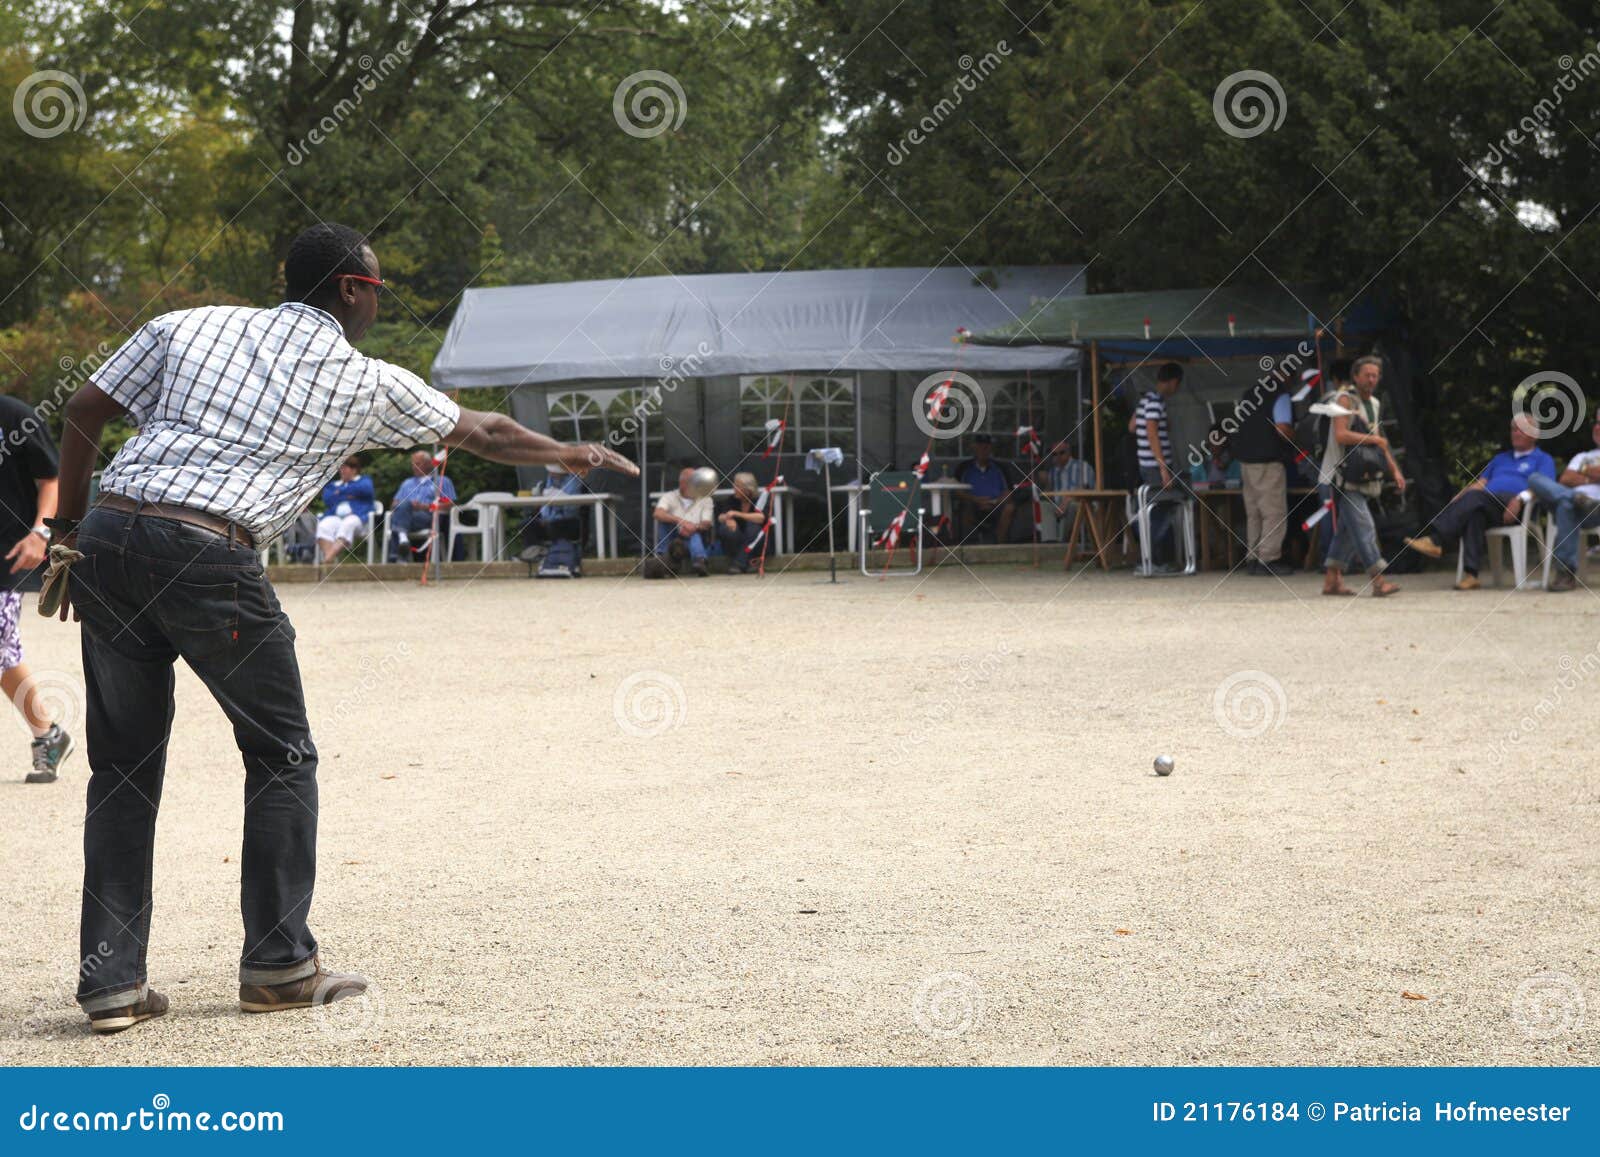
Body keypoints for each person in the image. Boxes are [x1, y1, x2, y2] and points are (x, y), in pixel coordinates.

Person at [46, 220, 637, 1034]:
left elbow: (84, 409)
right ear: (354, 289)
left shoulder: (187, 325)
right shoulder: (362, 379)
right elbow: (487, 432)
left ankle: (110, 982)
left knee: (120, 766)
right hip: (211, 550)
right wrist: (564, 452)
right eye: (378, 289)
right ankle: (279, 963)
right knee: (281, 753)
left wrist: (68, 529)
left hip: (110, 536)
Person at [0, 395, 73, 784]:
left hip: (7, 552)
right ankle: (48, 733)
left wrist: (40, 533)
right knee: (4, 653)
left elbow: (52, 479)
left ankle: (49, 735)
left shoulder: (16, 416)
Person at [1403, 413, 1555, 590]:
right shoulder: (1501, 458)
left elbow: (1545, 486)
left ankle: (1437, 540)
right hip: (1488, 503)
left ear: (1534, 434)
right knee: (1474, 511)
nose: (1516, 433)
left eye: (1521, 430)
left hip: (1518, 507)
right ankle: (1471, 575)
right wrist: (1461, 497)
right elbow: (1481, 483)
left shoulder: (1543, 459)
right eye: (1514, 429)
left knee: (1475, 500)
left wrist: (1520, 499)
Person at [1320, 355, 1404, 597]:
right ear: (1355, 377)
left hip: (1362, 475)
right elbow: (1341, 435)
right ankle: (1378, 580)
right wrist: (1375, 439)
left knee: (1347, 529)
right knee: (1364, 525)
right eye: (1366, 375)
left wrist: (1394, 469)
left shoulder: (1374, 404)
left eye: (1375, 375)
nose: (1371, 379)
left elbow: (1378, 442)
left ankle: (1331, 581)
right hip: (1340, 476)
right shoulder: (1343, 400)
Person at [1227, 371, 1296, 575]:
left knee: (1254, 513)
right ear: (1287, 377)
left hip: (1245, 462)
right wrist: (1297, 439)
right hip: (1268, 461)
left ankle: (1253, 558)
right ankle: (1269, 558)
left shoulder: (1249, 393)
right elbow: (1282, 429)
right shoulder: (1280, 395)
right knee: (1274, 512)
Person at [1527, 416, 1600, 592]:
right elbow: (1566, 479)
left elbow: (1573, 477)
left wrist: (1582, 473)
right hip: (1578, 508)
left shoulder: (1581, 463)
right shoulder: (1583, 456)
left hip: (1597, 508)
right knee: (1535, 478)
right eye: (1597, 424)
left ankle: (1565, 573)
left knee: (1564, 505)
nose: (1598, 428)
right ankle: (1576, 499)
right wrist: (1591, 476)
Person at [1135, 362, 1189, 569]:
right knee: (1161, 511)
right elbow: (1151, 432)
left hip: (1145, 463)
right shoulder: (1156, 402)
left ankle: (1153, 559)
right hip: (1155, 467)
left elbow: (1133, 426)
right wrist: (1163, 468)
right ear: (1174, 382)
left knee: (1155, 509)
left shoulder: (1144, 400)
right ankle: (1155, 559)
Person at [953, 434, 1024, 544]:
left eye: (986, 447)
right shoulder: (964, 467)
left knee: (1010, 507)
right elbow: (957, 491)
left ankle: (1000, 545)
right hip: (973, 504)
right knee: (964, 507)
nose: (983, 450)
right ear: (974, 447)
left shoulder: (1000, 467)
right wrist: (976, 500)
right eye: (980, 447)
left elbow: (1009, 492)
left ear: (991, 449)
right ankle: (970, 545)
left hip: (996, 505)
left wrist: (995, 502)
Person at [518, 464, 589, 571]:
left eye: (554, 471)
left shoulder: (575, 482)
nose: (551, 473)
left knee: (555, 525)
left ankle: (557, 555)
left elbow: (572, 511)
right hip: (548, 520)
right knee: (527, 524)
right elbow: (543, 506)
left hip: (569, 523)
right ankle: (534, 554)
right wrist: (542, 515)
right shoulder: (547, 481)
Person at [389, 448, 456, 560]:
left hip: (429, 518)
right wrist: (408, 506)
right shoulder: (407, 483)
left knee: (398, 516)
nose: (414, 467)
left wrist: (423, 507)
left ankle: (396, 554)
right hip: (407, 518)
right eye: (413, 464)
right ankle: (403, 539)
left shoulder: (441, 481)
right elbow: (394, 505)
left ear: (429, 463)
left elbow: (449, 505)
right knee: (403, 506)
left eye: (418, 463)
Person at [651, 467, 713, 576]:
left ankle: (700, 561)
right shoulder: (669, 496)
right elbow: (657, 513)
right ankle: (663, 558)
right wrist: (681, 522)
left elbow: (706, 523)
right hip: (673, 537)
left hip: (694, 537)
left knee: (695, 534)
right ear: (683, 483)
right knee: (664, 521)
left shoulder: (706, 499)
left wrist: (693, 527)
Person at [316, 456, 375, 563]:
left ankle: (327, 559)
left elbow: (366, 490)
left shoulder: (364, 481)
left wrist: (340, 492)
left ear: (354, 469)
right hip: (336, 517)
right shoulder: (333, 485)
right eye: (340, 468)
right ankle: (329, 559)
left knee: (348, 523)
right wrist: (350, 494)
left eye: (344, 468)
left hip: (359, 519)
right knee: (324, 525)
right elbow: (327, 498)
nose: (341, 470)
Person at [1039, 439, 1095, 541]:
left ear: (1069, 452)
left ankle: (1062, 542)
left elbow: (1086, 489)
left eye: (1062, 453)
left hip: (1079, 503)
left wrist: (1068, 499)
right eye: (1054, 454)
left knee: (1071, 506)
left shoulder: (1083, 466)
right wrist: (1046, 483)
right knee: (1043, 505)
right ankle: (1050, 541)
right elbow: (1049, 496)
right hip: (1059, 505)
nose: (1058, 456)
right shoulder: (1053, 472)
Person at [715, 472, 768, 573]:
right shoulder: (732, 499)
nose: (734, 488)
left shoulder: (759, 500)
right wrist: (728, 519)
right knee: (726, 529)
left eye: (737, 486)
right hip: (738, 540)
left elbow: (761, 517)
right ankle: (748, 562)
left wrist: (737, 514)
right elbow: (720, 517)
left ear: (747, 489)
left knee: (753, 528)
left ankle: (738, 563)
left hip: (758, 542)